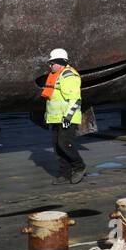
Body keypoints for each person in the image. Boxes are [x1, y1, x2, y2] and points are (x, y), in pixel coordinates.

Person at [41, 48, 85, 184]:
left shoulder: (68, 76)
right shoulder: (56, 75)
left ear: (60, 62)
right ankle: (65, 174)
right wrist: (47, 116)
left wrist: (68, 117)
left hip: (67, 118)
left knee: (65, 143)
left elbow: (75, 99)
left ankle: (79, 167)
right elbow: (54, 99)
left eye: (52, 63)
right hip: (56, 118)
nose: (50, 65)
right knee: (57, 146)